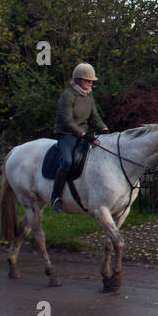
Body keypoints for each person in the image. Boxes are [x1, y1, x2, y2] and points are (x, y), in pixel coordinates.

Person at [51, 62, 109, 212]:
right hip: (67, 134)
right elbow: (67, 121)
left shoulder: (89, 96)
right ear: (77, 80)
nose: (90, 83)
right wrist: (83, 134)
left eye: (91, 81)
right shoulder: (67, 96)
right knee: (68, 162)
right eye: (87, 80)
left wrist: (105, 130)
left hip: (83, 134)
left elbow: (94, 118)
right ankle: (56, 197)